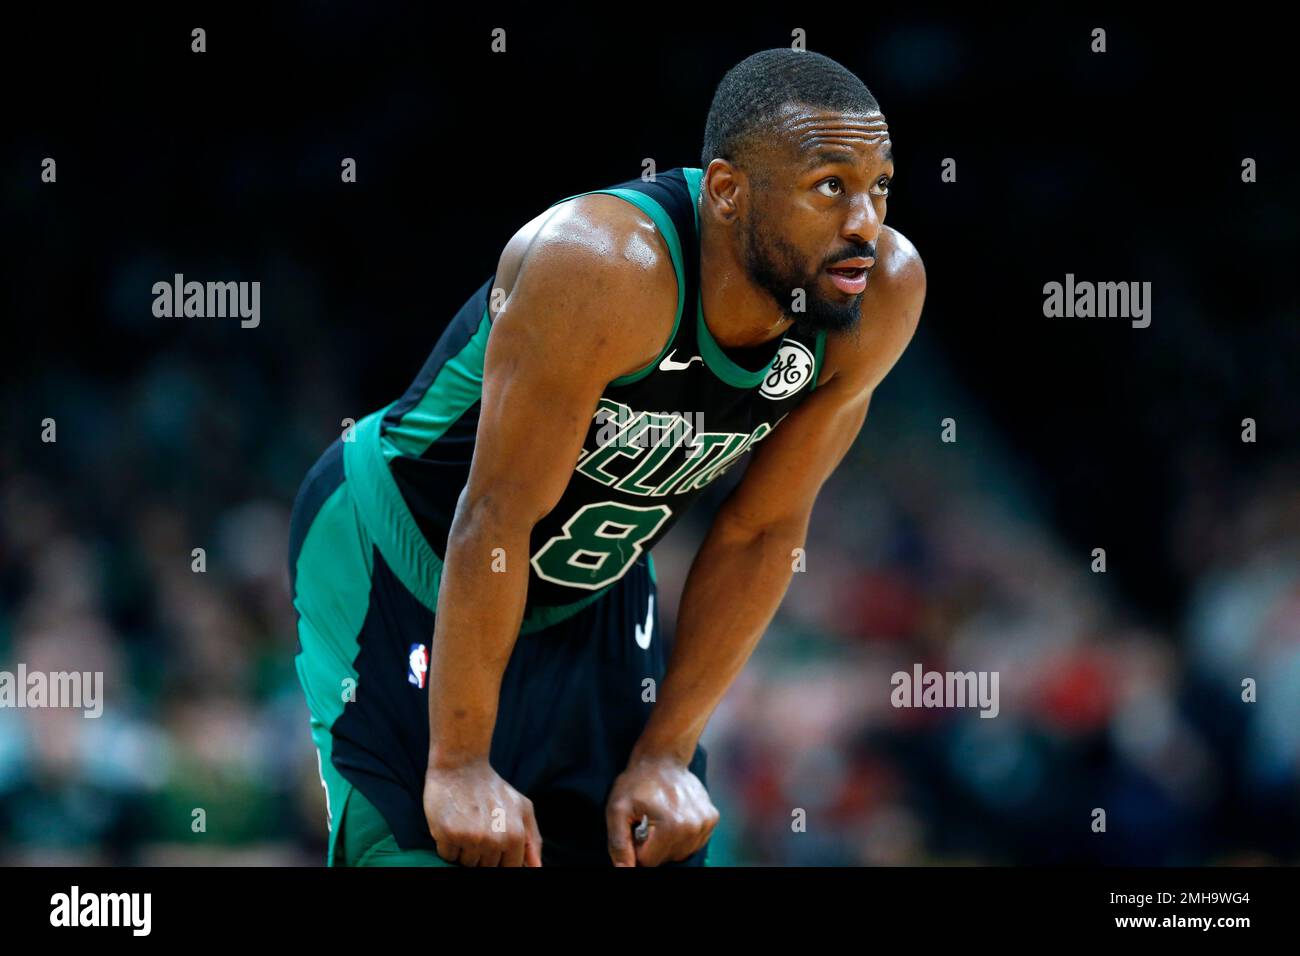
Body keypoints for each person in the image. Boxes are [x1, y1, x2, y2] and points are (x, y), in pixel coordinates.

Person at [288, 47, 925, 867]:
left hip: (595, 577)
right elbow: (494, 515)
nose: (864, 223)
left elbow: (763, 532)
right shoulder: (605, 264)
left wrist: (666, 752)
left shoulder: (883, 295)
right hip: (407, 549)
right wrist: (457, 765)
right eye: (830, 185)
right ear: (727, 192)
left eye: (881, 186)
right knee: (433, 851)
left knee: (648, 843)